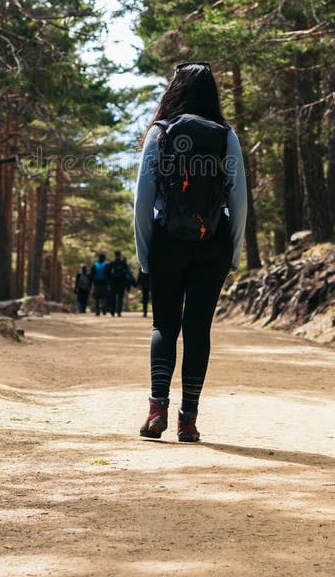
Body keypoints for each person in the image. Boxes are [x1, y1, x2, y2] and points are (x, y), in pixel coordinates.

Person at [134, 62, 247, 443]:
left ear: (175, 90)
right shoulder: (225, 136)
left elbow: (143, 199)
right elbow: (239, 198)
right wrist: (234, 250)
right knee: (198, 328)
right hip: (213, 242)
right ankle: (188, 420)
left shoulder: (161, 134)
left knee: (164, 325)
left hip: (168, 239)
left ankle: (157, 408)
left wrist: (145, 252)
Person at [106, 250, 131, 317]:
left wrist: (108, 283)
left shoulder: (112, 263)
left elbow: (107, 274)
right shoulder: (123, 263)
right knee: (120, 297)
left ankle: (112, 311)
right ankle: (119, 311)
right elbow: (127, 273)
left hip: (113, 282)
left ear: (115, 255)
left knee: (113, 297)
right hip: (121, 283)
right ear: (120, 255)